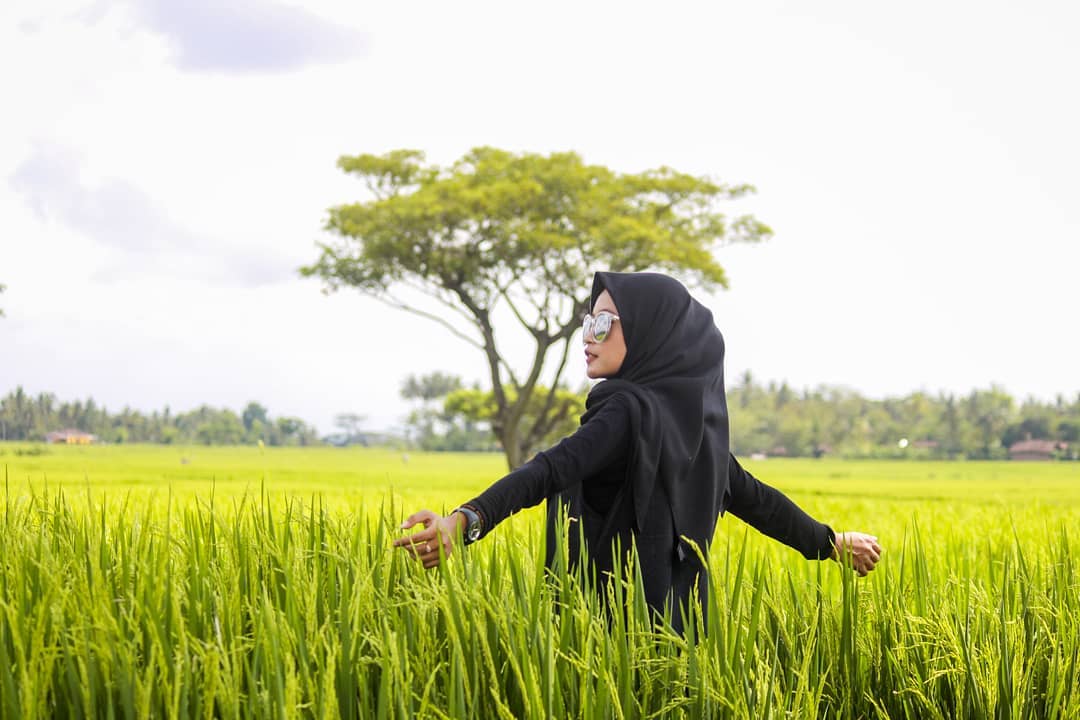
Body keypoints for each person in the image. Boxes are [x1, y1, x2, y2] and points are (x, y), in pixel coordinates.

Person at [393, 271, 882, 632]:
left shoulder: (627, 410)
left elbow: (550, 469)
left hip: (603, 646)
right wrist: (830, 543)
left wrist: (463, 522)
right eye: (588, 322)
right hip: (681, 643)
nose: (589, 336)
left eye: (605, 323)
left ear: (653, 334)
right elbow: (759, 502)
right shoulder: (693, 430)